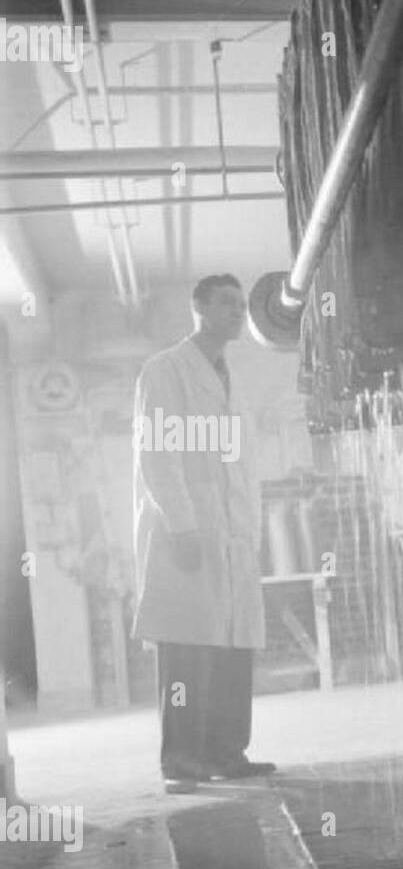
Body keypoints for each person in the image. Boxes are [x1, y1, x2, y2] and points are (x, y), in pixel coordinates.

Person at [132, 275, 274, 792]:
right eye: (226, 303)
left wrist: (249, 530)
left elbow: (240, 467)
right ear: (199, 310)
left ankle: (227, 752)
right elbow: (158, 456)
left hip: (233, 534)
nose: (238, 312)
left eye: (241, 304)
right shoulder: (166, 371)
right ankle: (181, 760)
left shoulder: (231, 378)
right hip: (186, 533)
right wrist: (183, 524)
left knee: (234, 648)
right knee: (188, 652)